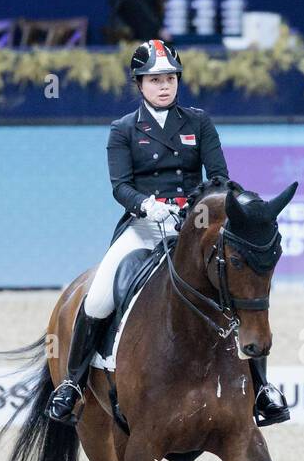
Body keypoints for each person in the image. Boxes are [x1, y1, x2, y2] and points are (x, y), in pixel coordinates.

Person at [45, 41, 289, 428]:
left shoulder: (198, 122)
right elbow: (120, 186)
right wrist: (147, 205)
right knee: (100, 295)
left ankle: (262, 388)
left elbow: (219, 177)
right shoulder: (123, 129)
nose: (164, 86)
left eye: (170, 79)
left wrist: (201, 208)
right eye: (155, 80)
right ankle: (72, 385)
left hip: (194, 228)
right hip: (144, 227)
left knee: (237, 288)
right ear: (140, 84)